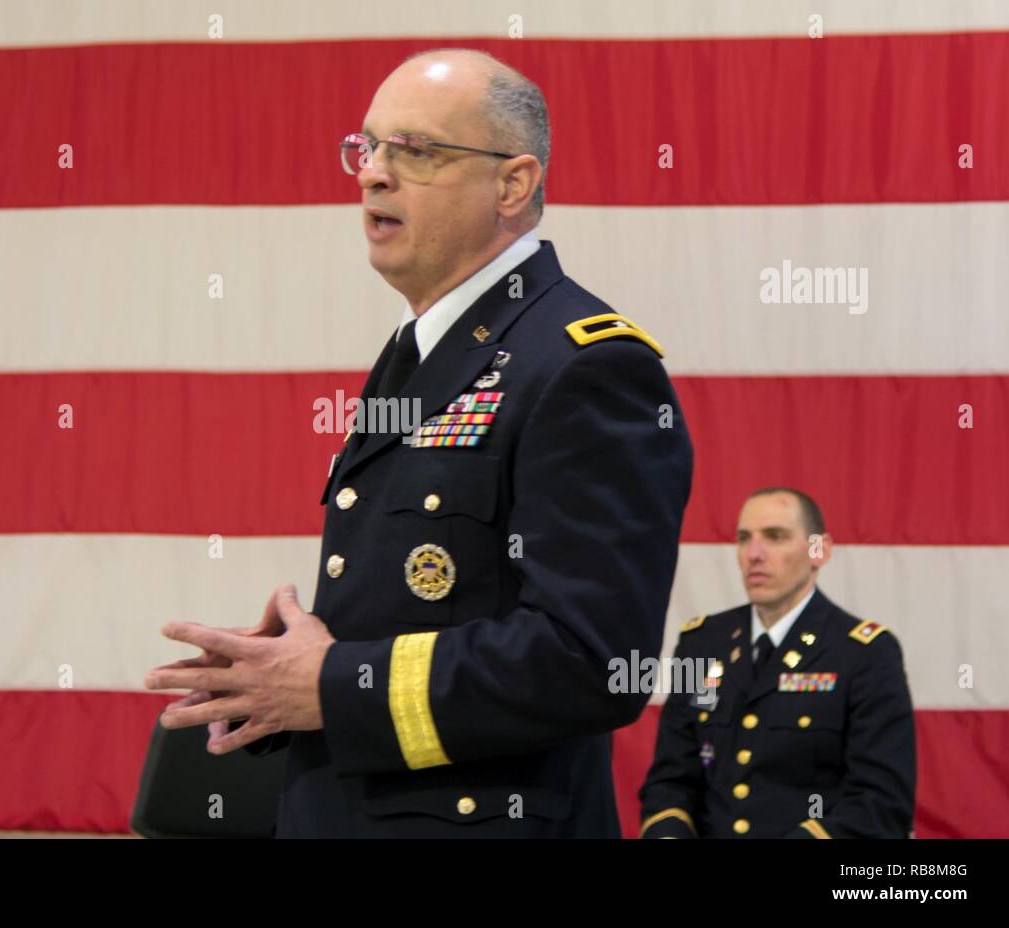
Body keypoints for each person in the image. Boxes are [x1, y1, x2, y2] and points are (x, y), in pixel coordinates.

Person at [145, 48, 693, 836]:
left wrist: (333, 682)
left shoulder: (586, 364)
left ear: (513, 183)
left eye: (416, 151)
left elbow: (593, 663)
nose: (372, 173)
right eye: (366, 148)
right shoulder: (428, 349)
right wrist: (280, 673)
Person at [638, 487, 916, 838]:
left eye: (774, 537)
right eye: (743, 539)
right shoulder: (701, 645)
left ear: (819, 551)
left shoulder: (865, 654)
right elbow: (672, 779)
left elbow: (881, 804)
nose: (754, 554)